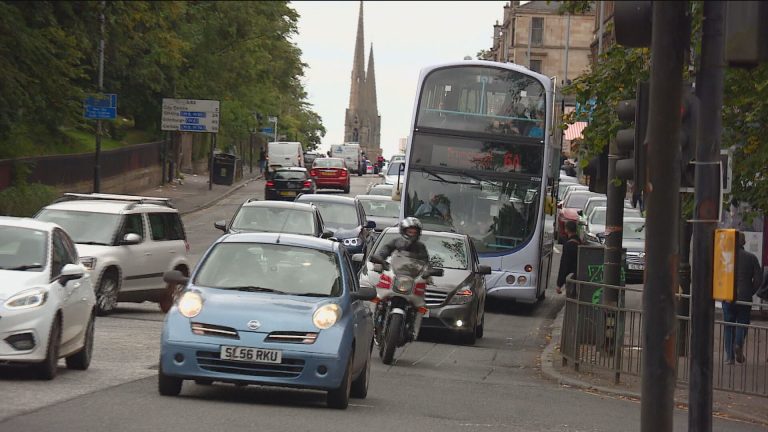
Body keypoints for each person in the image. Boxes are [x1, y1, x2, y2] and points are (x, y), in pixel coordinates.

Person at [722, 231, 762, 365]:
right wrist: (750, 291)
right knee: (742, 323)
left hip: (728, 295)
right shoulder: (752, 258)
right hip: (744, 296)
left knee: (728, 325)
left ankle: (729, 357)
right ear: (743, 242)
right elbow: (758, 279)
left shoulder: (726, 257)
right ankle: (738, 344)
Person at [556, 220, 581, 295]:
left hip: (573, 278)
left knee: (572, 298)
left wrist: (559, 284)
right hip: (580, 276)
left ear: (566, 230)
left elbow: (564, 265)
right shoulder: (579, 242)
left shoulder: (569, 245)